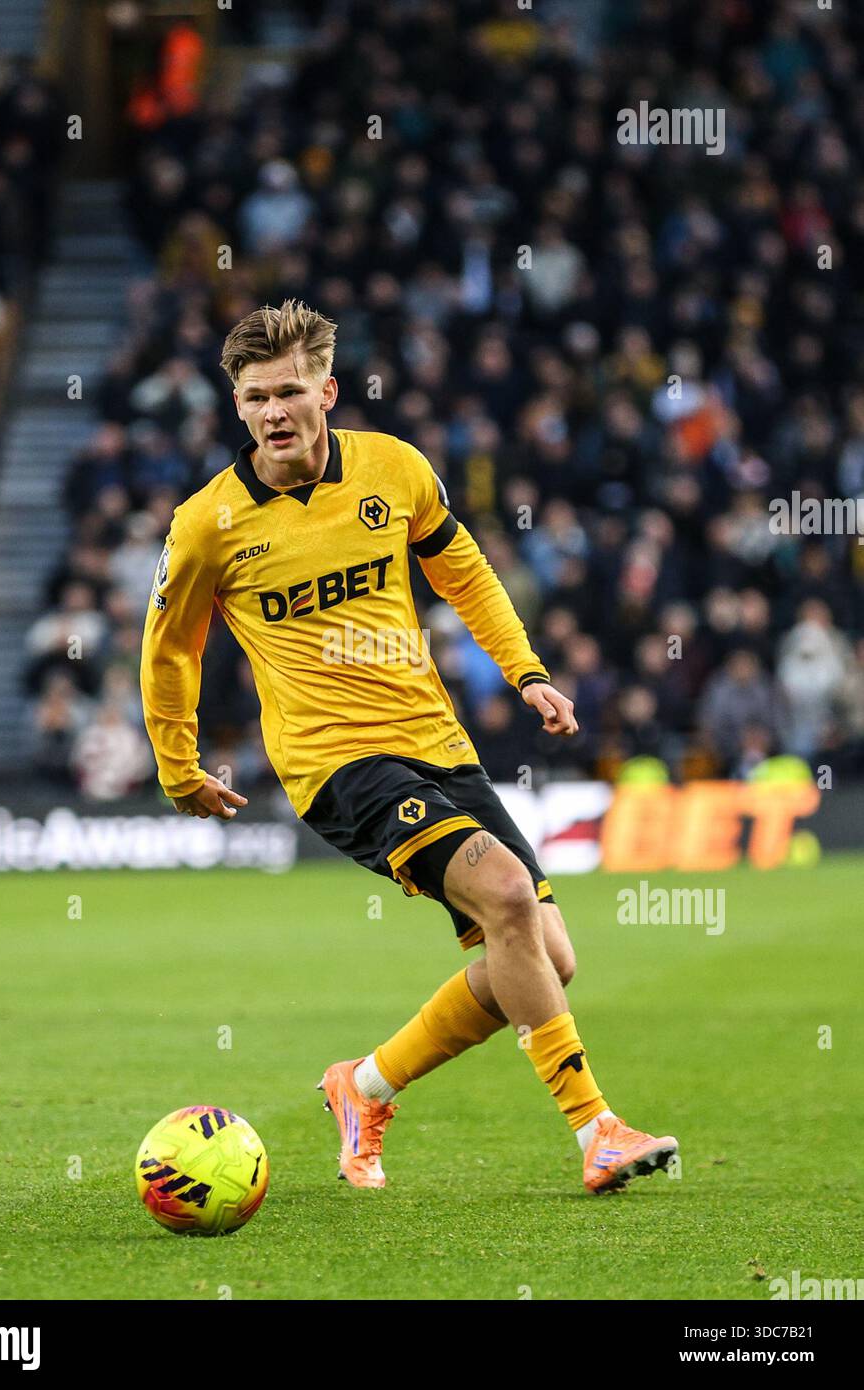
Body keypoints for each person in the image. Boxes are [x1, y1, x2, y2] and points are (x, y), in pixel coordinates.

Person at [140, 300, 678, 1194]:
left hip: (436, 743)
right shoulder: (208, 524)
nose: (273, 412)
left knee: (545, 959)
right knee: (506, 896)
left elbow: (460, 567)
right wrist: (177, 766)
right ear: (236, 406)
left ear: (327, 390)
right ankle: (597, 1132)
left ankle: (364, 1084)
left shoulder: (394, 468)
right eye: (254, 397)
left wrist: (525, 670)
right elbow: (169, 648)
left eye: (289, 392)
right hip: (336, 764)